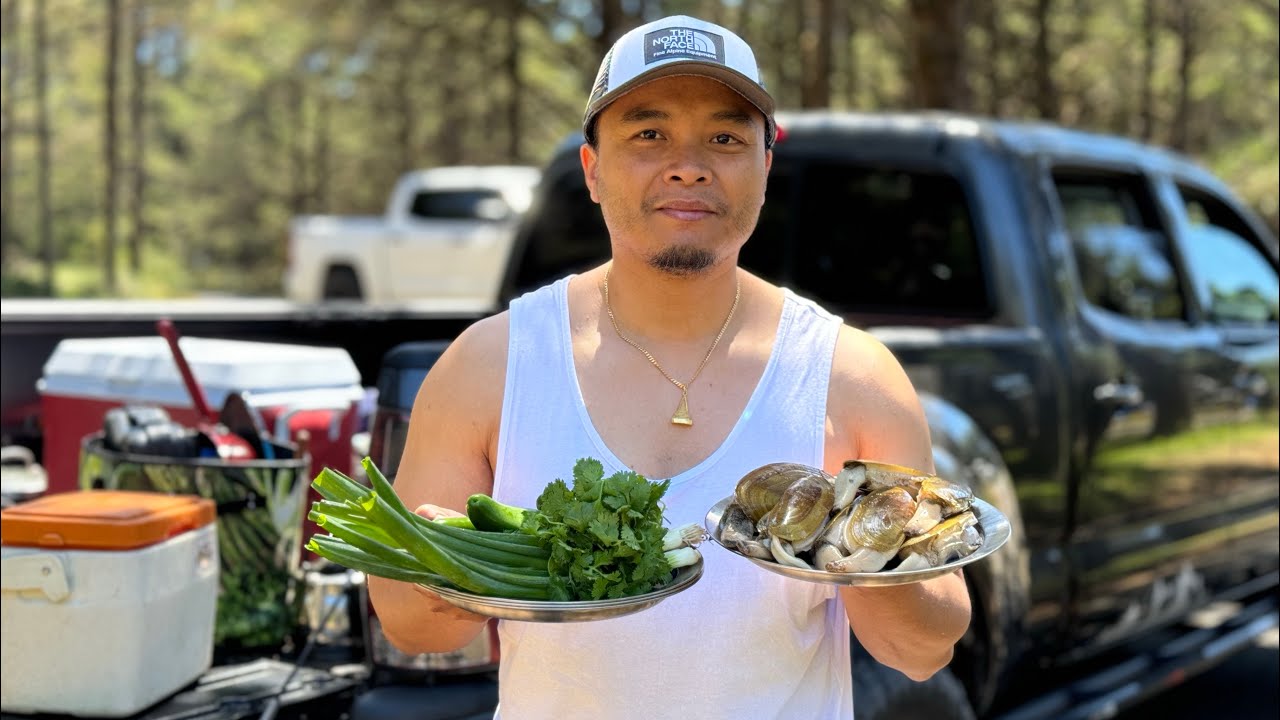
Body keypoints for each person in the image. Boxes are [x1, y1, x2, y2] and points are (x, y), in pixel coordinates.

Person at [368, 14, 971, 719]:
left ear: (765, 169)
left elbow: (923, 651)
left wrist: (865, 554)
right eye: (649, 134)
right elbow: (410, 628)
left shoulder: (851, 375)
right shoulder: (492, 364)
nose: (688, 165)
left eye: (725, 138)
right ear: (593, 170)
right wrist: (447, 564)